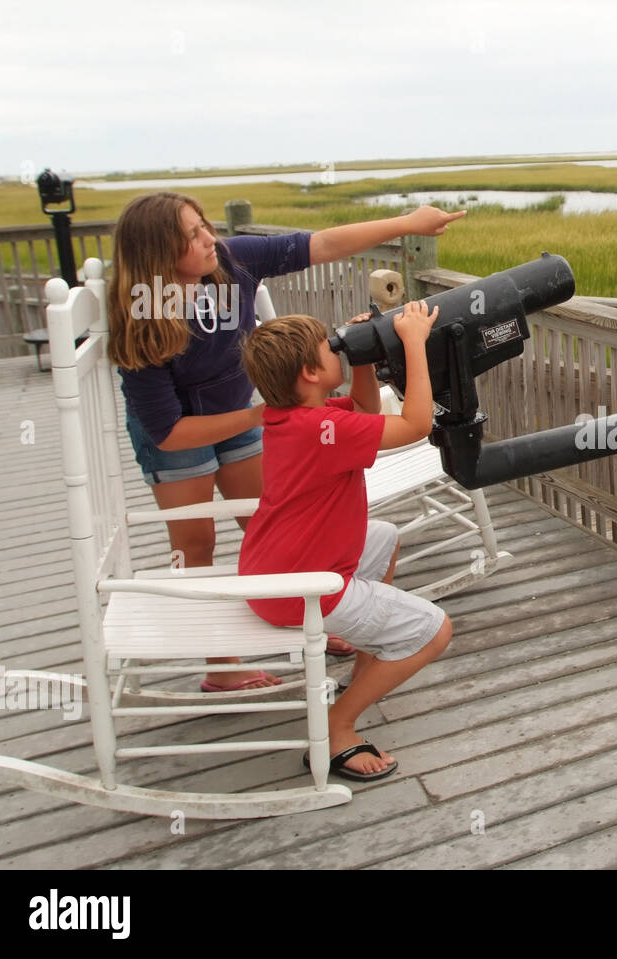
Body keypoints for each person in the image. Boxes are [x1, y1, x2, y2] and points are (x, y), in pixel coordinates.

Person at [106, 192, 464, 691]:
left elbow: (320, 244)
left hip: (246, 414)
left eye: (204, 225)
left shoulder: (230, 262)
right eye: (192, 236)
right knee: (195, 544)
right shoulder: (140, 318)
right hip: (178, 432)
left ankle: (318, 613)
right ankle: (222, 668)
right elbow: (167, 431)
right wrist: (261, 413)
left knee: (270, 518)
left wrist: (409, 222)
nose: (210, 238)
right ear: (157, 254)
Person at [236, 303, 451, 780]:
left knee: (385, 536)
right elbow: (416, 424)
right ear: (312, 372)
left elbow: (364, 410)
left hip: (272, 570)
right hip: (302, 589)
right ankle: (335, 726)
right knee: (434, 630)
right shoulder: (319, 429)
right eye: (331, 348)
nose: (340, 348)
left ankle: (367, 662)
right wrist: (412, 341)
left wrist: (363, 361)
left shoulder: (295, 416)